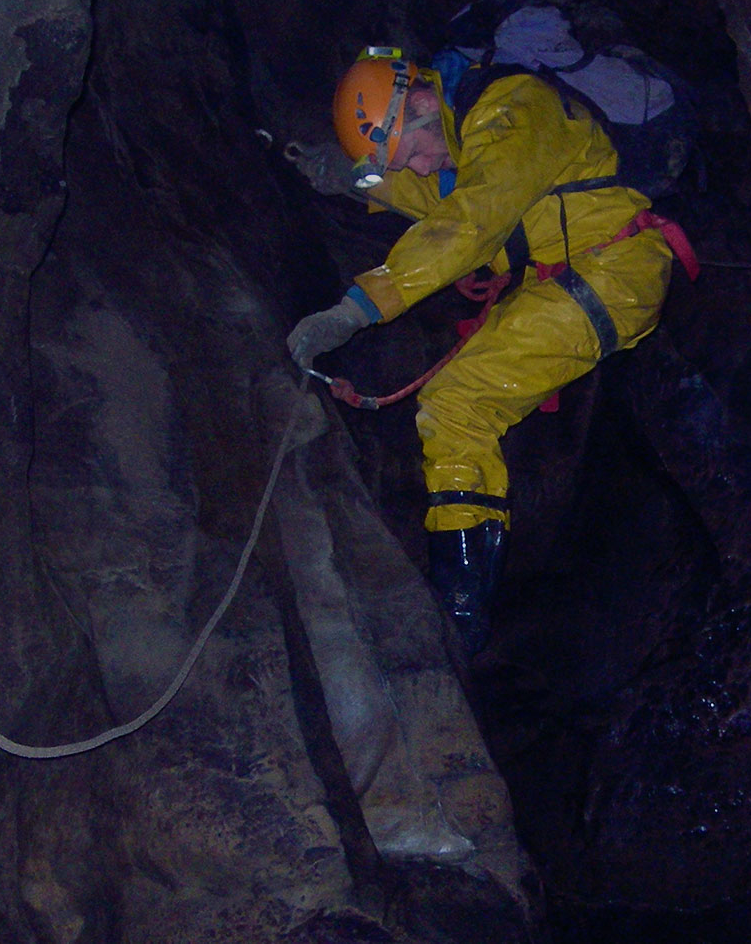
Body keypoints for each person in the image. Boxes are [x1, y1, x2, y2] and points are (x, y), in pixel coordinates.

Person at [288, 47, 673, 654]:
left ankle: (462, 619)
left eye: (410, 151)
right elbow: (440, 195)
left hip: (614, 268)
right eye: (401, 163)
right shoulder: (460, 136)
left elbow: (471, 219)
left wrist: (358, 308)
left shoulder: (514, 109)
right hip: (571, 277)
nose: (414, 167)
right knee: (451, 408)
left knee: (457, 407)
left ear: (419, 101)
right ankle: (463, 612)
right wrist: (348, 179)